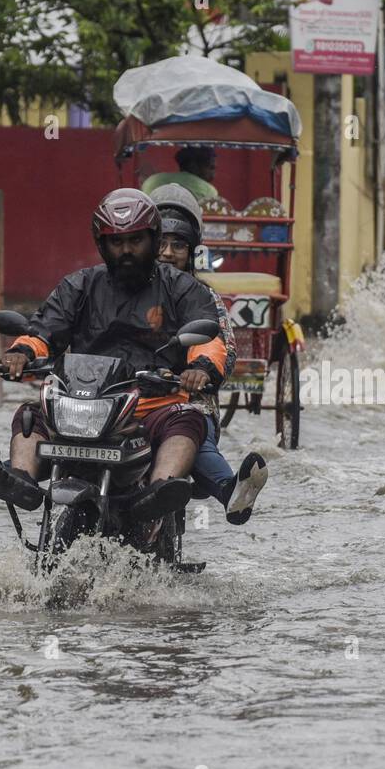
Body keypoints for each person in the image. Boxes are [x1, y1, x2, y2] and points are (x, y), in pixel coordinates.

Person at [0, 188, 227, 520]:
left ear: (152, 239)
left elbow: (207, 338)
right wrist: (21, 354)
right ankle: (21, 480)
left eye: (136, 241)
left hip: (151, 409)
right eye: (117, 242)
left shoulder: (184, 289)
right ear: (102, 245)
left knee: (188, 419)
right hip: (82, 409)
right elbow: (43, 331)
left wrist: (201, 367)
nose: (127, 251)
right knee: (31, 415)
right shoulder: (79, 286)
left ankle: (161, 488)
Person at [148, 183, 269, 525]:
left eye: (177, 245)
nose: (168, 253)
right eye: (160, 244)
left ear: (192, 251)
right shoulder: (112, 286)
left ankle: (231, 491)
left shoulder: (202, 297)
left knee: (192, 427)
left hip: (181, 398)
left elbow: (221, 347)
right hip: (121, 397)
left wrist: (201, 370)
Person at [141, 146, 218, 201]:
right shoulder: (209, 190)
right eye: (211, 168)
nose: (213, 174)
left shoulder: (151, 181)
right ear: (193, 166)